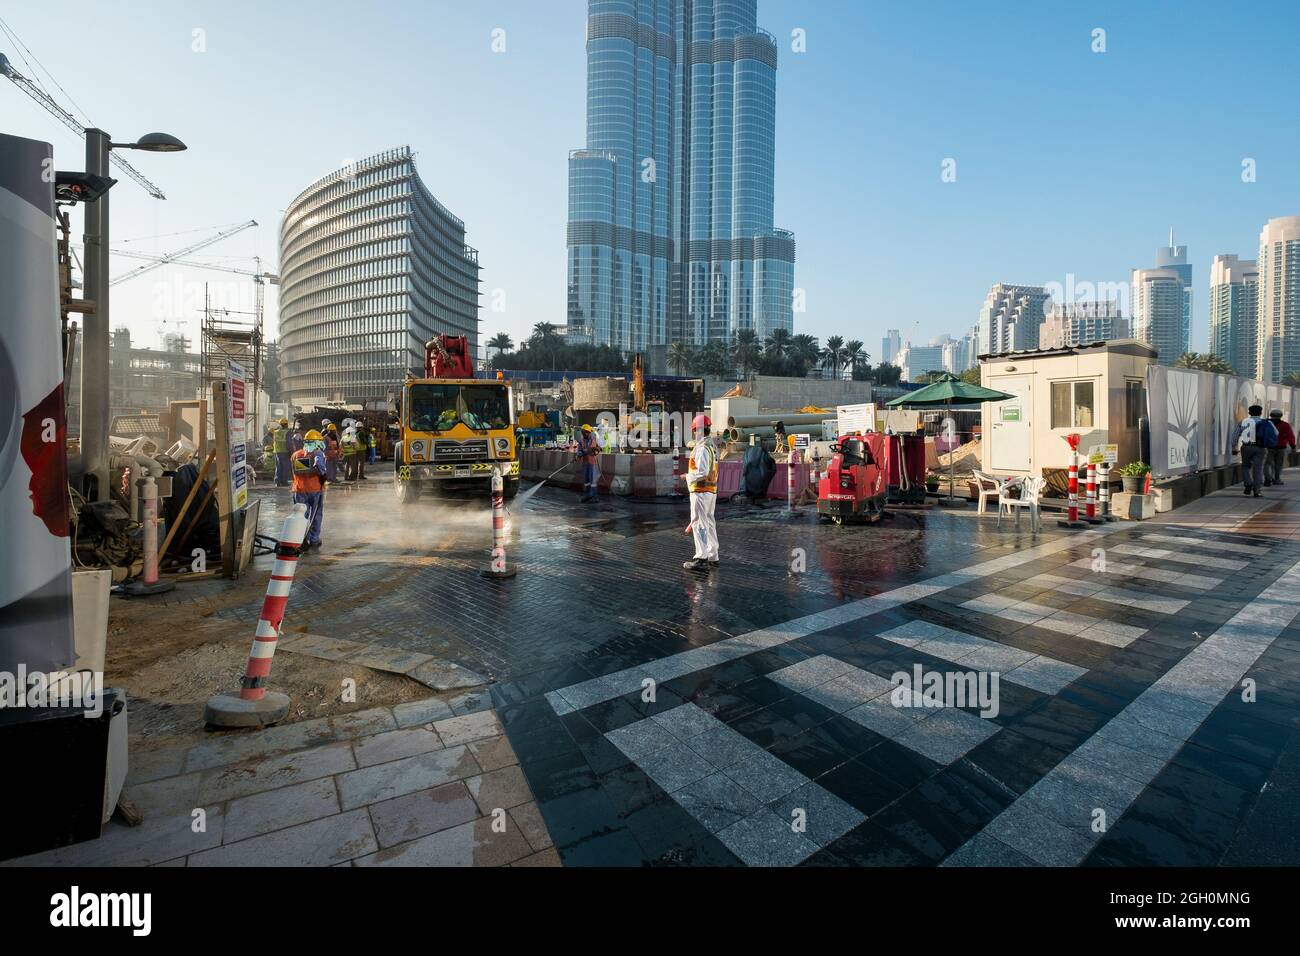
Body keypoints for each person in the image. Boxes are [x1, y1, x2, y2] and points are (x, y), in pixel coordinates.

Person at [683, 413, 719, 571]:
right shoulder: (711, 447)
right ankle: (712, 556)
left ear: (698, 430)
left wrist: (687, 476)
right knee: (709, 523)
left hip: (700, 491)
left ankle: (701, 557)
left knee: (699, 523)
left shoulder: (702, 448)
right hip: (710, 491)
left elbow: (702, 471)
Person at [291, 429, 329, 550]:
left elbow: (293, 472)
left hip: (299, 489)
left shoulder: (296, 454)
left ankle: (300, 539)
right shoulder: (318, 453)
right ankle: (313, 539)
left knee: (301, 516)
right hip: (314, 489)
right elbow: (320, 467)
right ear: (317, 442)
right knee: (315, 515)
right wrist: (323, 475)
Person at [1230, 404, 1275, 498]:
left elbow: (1235, 435)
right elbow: (1276, 433)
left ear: (1249, 412)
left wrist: (1234, 447)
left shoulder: (1243, 422)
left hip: (1246, 447)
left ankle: (1248, 484)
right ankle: (1257, 491)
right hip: (1260, 448)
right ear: (1261, 413)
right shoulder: (1266, 422)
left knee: (1245, 466)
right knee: (1258, 469)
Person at [1265, 409, 1296, 487]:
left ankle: (1268, 479)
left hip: (1269, 447)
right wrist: (1293, 446)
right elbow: (1290, 436)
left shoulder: (1267, 424)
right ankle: (1277, 479)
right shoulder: (1285, 425)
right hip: (1281, 447)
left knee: (1268, 463)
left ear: (1271, 415)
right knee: (1278, 464)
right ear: (1281, 416)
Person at [576, 423, 600, 503]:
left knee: (592, 479)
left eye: (585, 432)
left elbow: (593, 449)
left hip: (592, 462)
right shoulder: (582, 440)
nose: (584, 433)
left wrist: (584, 452)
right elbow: (579, 448)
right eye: (583, 432)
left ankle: (594, 496)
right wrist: (579, 453)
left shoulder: (593, 439)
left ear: (589, 432)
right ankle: (587, 494)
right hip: (585, 462)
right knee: (586, 480)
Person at [271, 418, 291, 487]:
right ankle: (284, 481)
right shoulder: (287, 432)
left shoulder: (276, 432)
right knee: (285, 467)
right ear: (286, 424)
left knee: (278, 467)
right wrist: (291, 451)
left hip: (277, 451)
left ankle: (277, 482)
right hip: (285, 451)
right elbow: (289, 443)